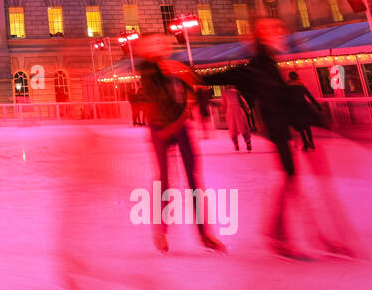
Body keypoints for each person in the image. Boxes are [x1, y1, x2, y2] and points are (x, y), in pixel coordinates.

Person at [204, 17, 345, 259]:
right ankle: (279, 236)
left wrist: (309, 120)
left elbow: (281, 96)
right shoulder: (259, 64)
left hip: (283, 125)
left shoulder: (267, 62)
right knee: (290, 178)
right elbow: (234, 77)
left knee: (290, 178)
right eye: (271, 30)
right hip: (277, 126)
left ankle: (281, 235)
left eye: (278, 29)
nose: (279, 34)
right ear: (260, 36)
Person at [133, 33, 226, 255]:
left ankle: (204, 233)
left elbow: (192, 90)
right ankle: (161, 230)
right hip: (161, 128)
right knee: (165, 180)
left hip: (179, 126)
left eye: (164, 42)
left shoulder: (174, 66)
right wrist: (173, 75)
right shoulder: (148, 69)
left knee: (194, 178)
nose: (162, 46)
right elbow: (158, 96)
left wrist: (191, 89)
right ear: (146, 49)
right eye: (156, 43)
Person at [285, 72, 322, 151]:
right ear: (297, 77)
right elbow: (310, 96)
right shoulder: (301, 85)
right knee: (307, 126)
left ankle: (305, 143)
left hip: (294, 108)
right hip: (304, 107)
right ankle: (311, 142)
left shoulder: (287, 86)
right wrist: (317, 106)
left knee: (300, 127)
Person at [224, 86, 252, 151]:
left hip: (230, 112)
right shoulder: (236, 92)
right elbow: (242, 101)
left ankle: (236, 143)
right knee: (243, 127)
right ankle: (248, 142)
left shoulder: (225, 93)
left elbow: (224, 104)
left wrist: (226, 112)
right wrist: (247, 109)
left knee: (233, 128)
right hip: (239, 110)